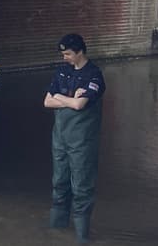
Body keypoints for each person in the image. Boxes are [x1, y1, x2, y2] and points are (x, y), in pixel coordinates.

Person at [44, 33, 107, 244]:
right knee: (59, 182)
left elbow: (80, 105)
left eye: (68, 54)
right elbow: (47, 101)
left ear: (80, 52)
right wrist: (69, 99)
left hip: (83, 142)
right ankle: (56, 231)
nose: (65, 58)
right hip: (60, 138)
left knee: (81, 187)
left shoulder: (94, 75)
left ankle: (82, 236)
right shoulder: (62, 71)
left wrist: (60, 97)